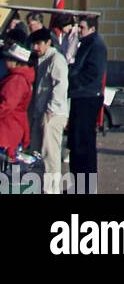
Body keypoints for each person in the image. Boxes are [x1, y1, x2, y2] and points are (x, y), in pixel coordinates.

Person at [67, 14, 107, 192]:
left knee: (84, 144)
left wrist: (72, 82)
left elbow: (92, 73)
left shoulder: (96, 45)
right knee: (76, 144)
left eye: (81, 27)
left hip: (87, 97)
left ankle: (86, 188)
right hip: (79, 97)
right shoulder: (85, 43)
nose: (78, 31)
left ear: (92, 29)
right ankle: (78, 185)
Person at [29, 28, 68, 194]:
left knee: (50, 155)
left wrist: (51, 110)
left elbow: (60, 85)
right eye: (34, 44)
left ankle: (52, 190)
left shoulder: (56, 59)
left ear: (48, 43)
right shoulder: (41, 59)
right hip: (41, 112)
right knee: (37, 152)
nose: (36, 47)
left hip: (53, 114)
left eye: (39, 44)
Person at [0, 43, 35, 160]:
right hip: (15, 125)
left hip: (7, 128)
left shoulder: (16, 80)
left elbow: (6, 105)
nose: (6, 61)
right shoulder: (20, 77)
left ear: (16, 61)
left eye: (9, 58)